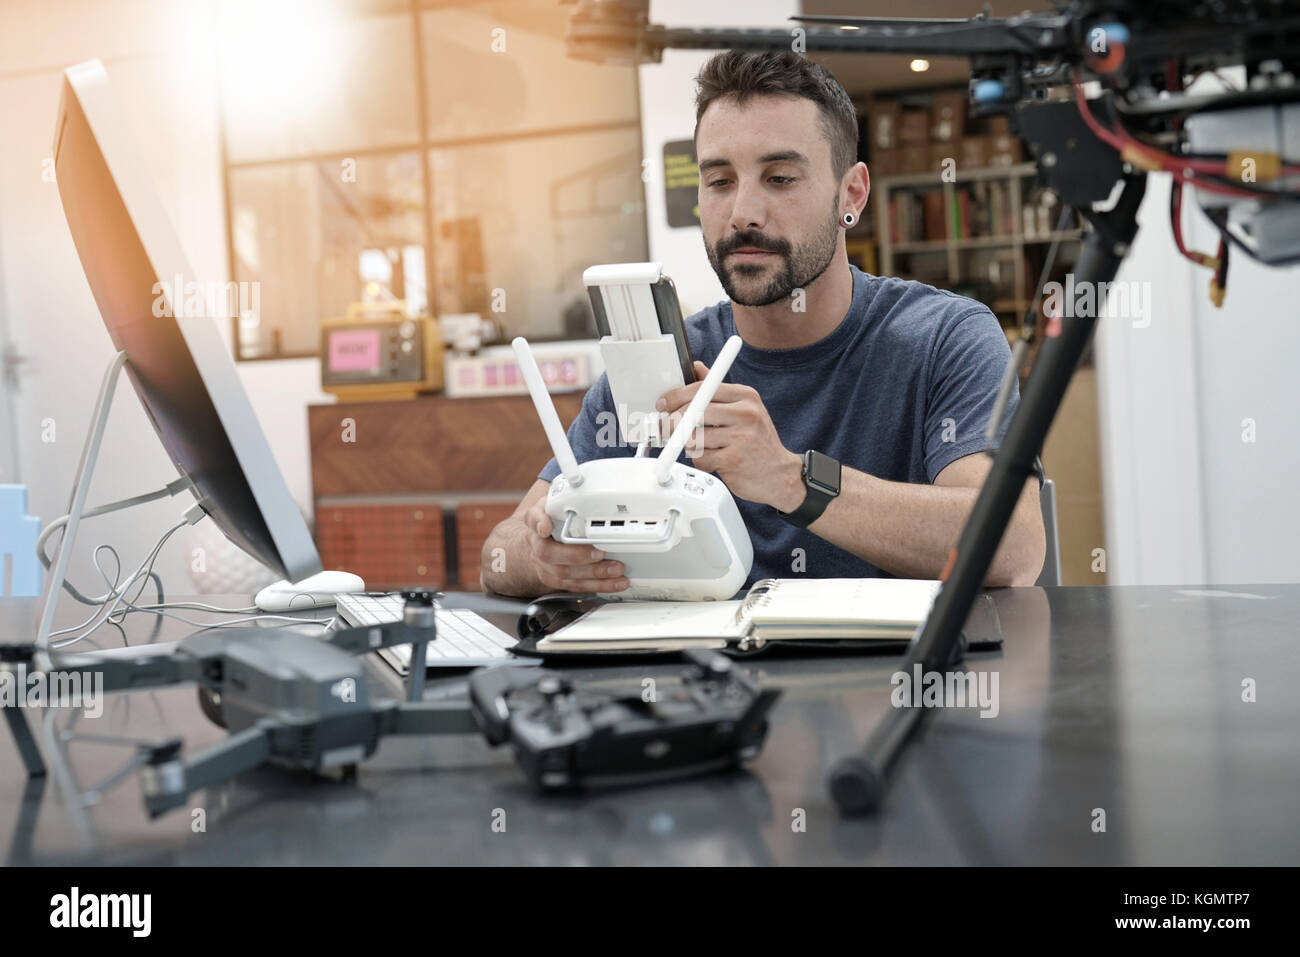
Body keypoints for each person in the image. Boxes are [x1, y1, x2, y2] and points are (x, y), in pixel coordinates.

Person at [481, 49, 1044, 599]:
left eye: (779, 178)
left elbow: (1012, 549)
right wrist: (544, 558)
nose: (743, 212)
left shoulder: (944, 338)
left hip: (892, 685)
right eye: (720, 181)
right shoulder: (664, 364)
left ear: (851, 193)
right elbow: (497, 557)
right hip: (701, 686)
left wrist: (789, 479)